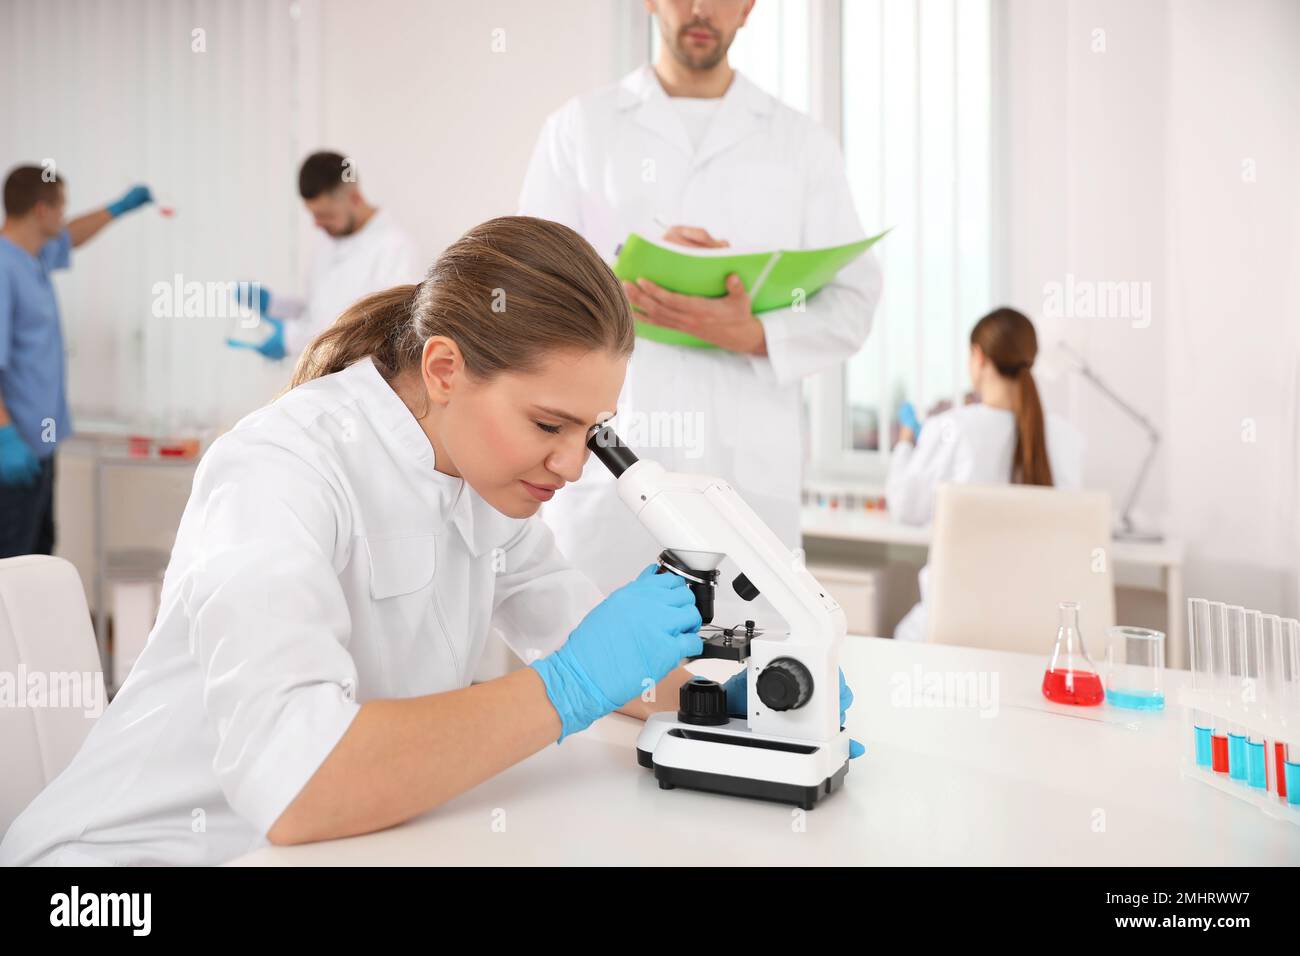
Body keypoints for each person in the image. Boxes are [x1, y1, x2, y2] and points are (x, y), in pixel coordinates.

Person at [0, 216, 861, 866]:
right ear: (445, 368)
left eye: (594, 432)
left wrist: (735, 700)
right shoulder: (279, 470)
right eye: (549, 423)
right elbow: (297, 786)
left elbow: (588, 643)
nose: (572, 464)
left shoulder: (487, 487)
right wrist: (570, 686)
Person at [518, 0, 883, 629]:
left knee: (751, 683)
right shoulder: (580, 128)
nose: (699, 10)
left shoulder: (800, 143)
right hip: (614, 463)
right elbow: (525, 280)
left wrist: (756, 332)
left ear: (747, 8)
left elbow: (852, 300)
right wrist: (614, 282)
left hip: (747, 481)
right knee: (594, 682)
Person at [886, 307, 1085, 642]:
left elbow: (905, 508)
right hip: (1036, 634)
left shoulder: (950, 428)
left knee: (901, 634)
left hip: (951, 631)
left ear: (978, 357)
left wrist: (906, 443)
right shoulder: (1066, 438)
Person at [0, 165, 154, 557]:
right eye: (61, 206)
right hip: (10, 450)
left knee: (38, 557)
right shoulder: (3, 268)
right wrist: (5, 436)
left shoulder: (31, 257)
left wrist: (119, 208)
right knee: (11, 568)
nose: (64, 215)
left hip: (38, 445)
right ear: (41, 210)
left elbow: (71, 237)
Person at [230, 150, 419, 361]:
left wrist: (292, 339)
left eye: (325, 215)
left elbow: (388, 334)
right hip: (321, 375)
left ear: (354, 198)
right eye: (313, 214)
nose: (317, 224)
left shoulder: (394, 249)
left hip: (358, 381)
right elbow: (318, 310)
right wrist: (275, 305)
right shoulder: (328, 241)